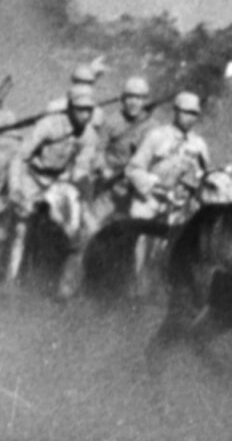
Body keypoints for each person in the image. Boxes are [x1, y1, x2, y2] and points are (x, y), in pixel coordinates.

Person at [4, 86, 102, 286]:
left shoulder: (89, 135)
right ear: (70, 108)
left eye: (89, 110)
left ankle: (61, 282)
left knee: (71, 230)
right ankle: (10, 280)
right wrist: (15, 188)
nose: (85, 115)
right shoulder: (48, 125)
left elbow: (81, 169)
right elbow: (20, 157)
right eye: (80, 109)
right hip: (31, 177)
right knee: (21, 230)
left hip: (58, 182)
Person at [125, 92, 210, 291]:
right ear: (176, 111)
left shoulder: (199, 145)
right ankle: (134, 285)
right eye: (186, 112)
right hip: (151, 199)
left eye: (194, 114)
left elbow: (203, 177)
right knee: (139, 238)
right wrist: (153, 185)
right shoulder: (157, 136)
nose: (190, 117)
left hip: (180, 205)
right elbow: (133, 168)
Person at [95, 76, 158, 218]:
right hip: (110, 185)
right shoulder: (111, 121)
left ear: (145, 101)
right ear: (123, 100)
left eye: (139, 98)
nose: (134, 103)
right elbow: (98, 149)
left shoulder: (153, 126)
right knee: (94, 225)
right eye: (130, 97)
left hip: (137, 188)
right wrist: (104, 169)